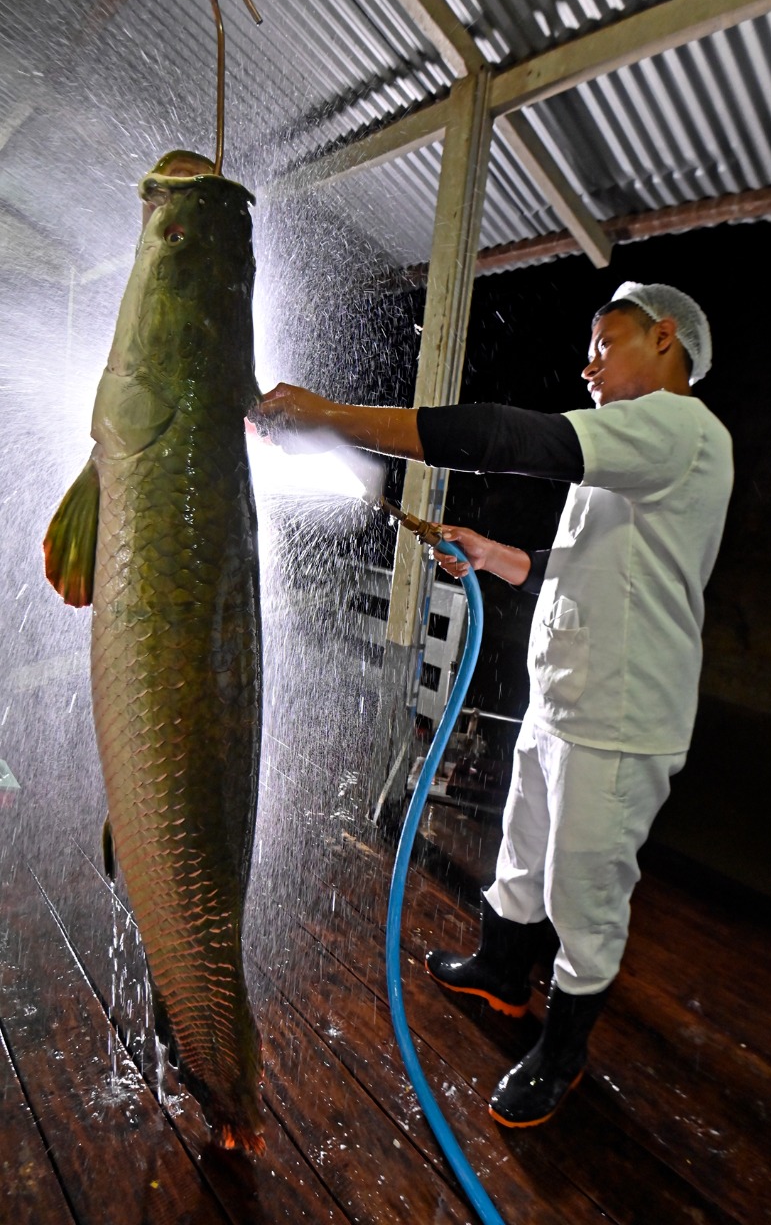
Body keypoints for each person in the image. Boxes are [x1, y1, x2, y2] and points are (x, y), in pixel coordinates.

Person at [255, 281, 734, 1129]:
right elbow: (585, 563)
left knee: (583, 890)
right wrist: (494, 554)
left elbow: (508, 438)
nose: (587, 364)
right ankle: (504, 975)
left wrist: (336, 417)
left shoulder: (680, 429)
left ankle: (563, 1050)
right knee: (522, 852)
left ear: (665, 338)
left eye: (604, 341)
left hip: (622, 721)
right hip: (566, 701)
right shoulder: (636, 447)